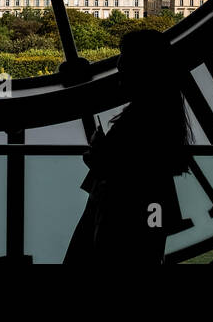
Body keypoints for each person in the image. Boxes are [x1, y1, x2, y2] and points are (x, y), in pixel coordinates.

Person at [64, 29, 193, 264]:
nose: (120, 65)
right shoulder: (158, 116)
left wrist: (99, 155)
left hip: (117, 212)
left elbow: (118, 168)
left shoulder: (137, 118)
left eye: (125, 57)